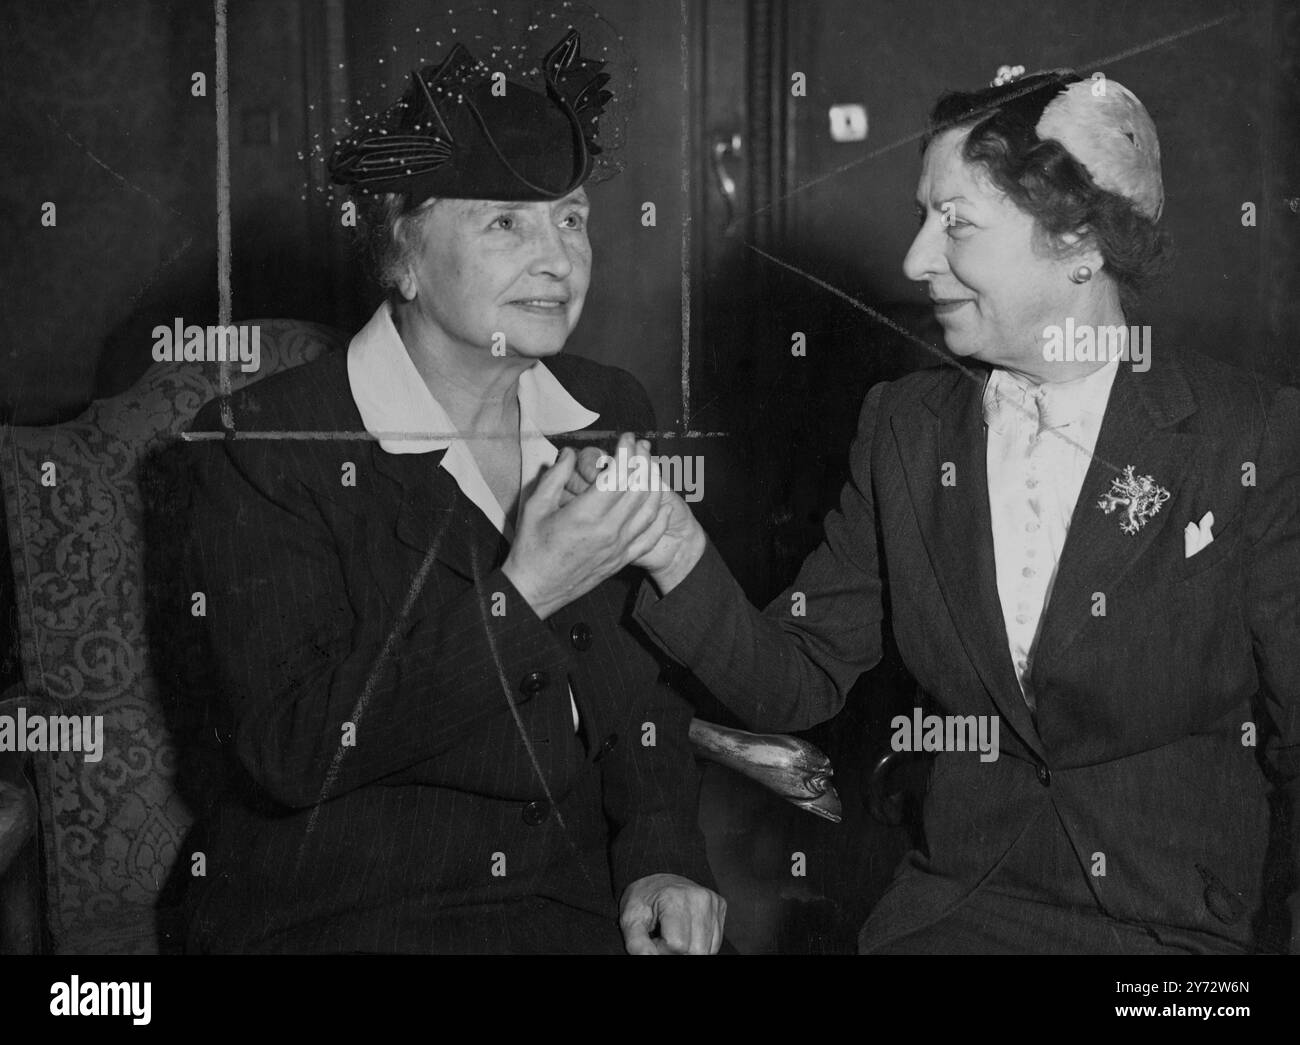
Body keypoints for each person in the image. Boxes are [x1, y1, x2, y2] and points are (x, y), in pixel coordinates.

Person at [571, 69, 1300, 953]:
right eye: (923, 217)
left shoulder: (1250, 435)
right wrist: (674, 551)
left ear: (1078, 237)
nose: (916, 259)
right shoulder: (906, 430)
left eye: (954, 222)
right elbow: (797, 677)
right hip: (956, 912)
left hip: (1177, 939)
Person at [181, 30, 724, 954]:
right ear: (403, 253)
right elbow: (291, 744)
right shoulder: (264, 449)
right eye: (505, 222)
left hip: (574, 897)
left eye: (572, 219)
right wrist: (528, 593)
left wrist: (661, 852)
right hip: (350, 909)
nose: (557, 259)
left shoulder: (605, 407)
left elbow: (645, 689)